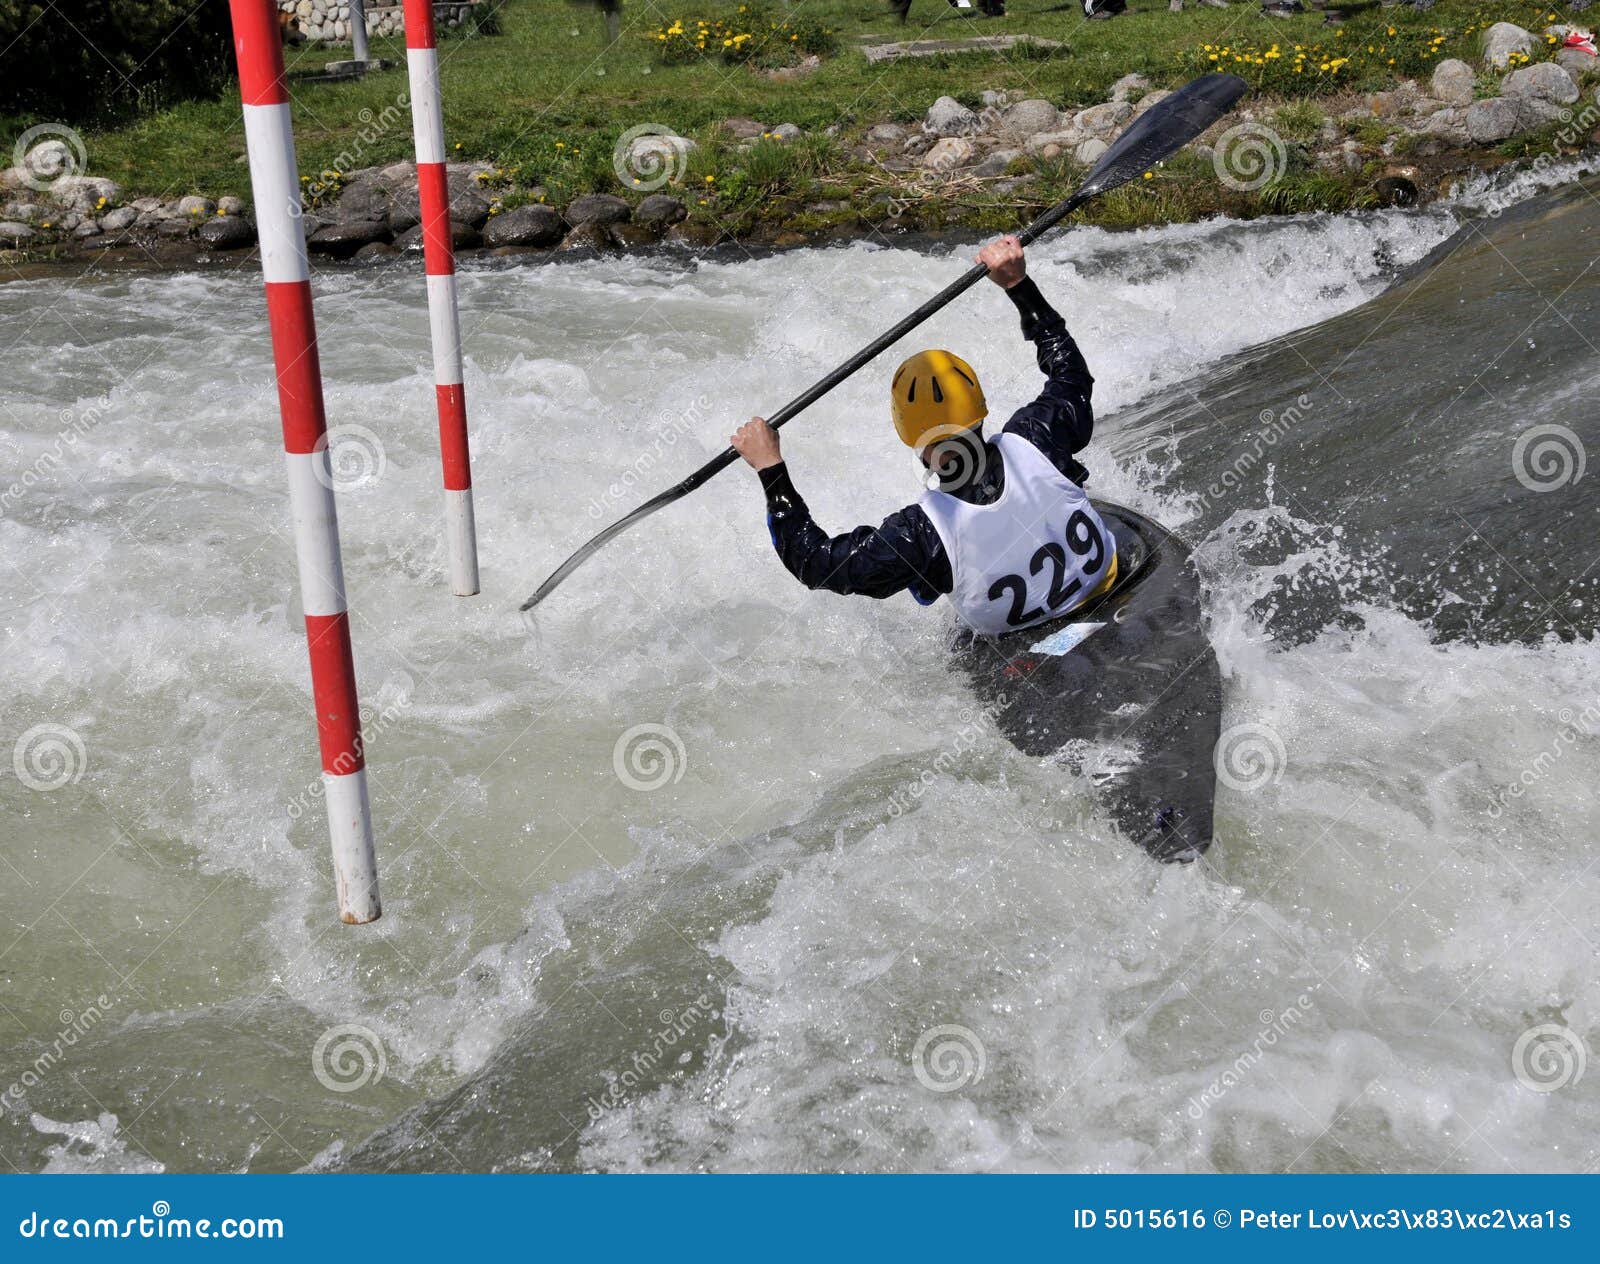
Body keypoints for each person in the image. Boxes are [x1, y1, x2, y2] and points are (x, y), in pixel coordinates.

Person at [730, 235, 1116, 638]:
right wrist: (1018, 284)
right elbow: (1070, 373)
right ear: (979, 406)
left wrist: (770, 469)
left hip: (1032, 651)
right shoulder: (1038, 436)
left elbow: (815, 563)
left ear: (907, 434)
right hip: (1113, 589)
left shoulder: (919, 535)